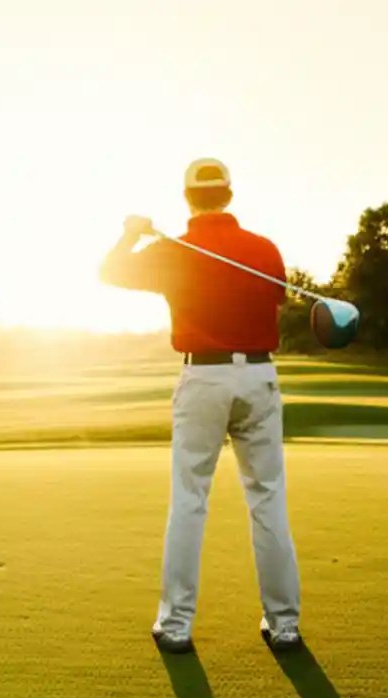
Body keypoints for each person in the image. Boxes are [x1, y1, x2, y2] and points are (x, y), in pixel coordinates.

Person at [99, 158, 302, 654]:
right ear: (228, 194)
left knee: (190, 501)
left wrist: (131, 233)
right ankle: (284, 626)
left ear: (188, 197)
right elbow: (280, 296)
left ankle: (175, 626)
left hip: (203, 377)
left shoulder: (171, 249)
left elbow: (108, 272)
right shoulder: (263, 248)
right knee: (268, 500)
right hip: (258, 376)